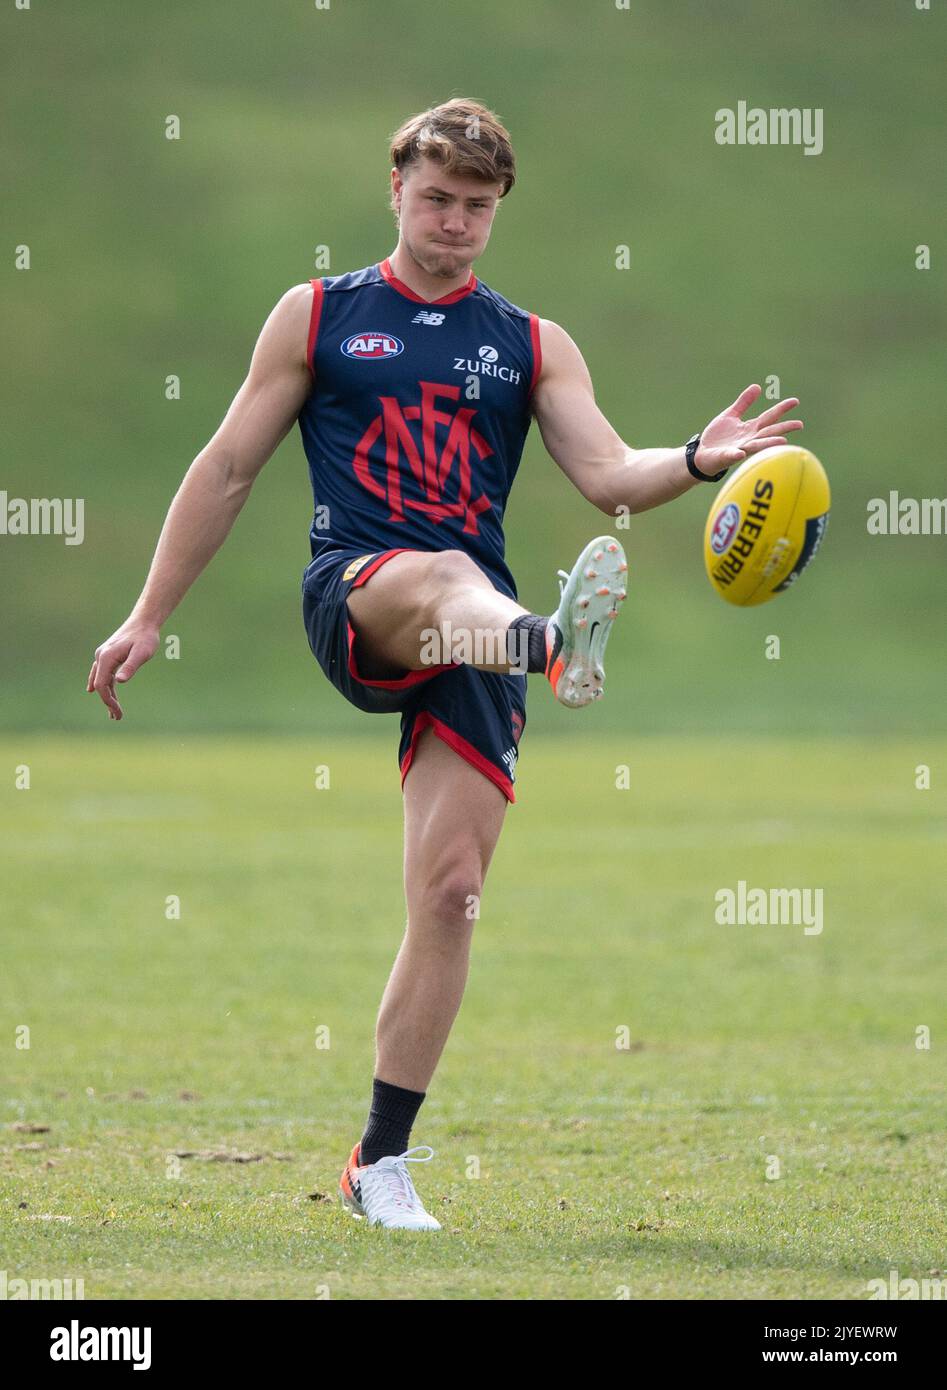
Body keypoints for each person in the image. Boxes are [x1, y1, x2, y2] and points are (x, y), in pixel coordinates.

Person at [87, 98, 803, 1230]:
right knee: (440, 576)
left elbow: (611, 477)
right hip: (365, 596)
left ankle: (378, 1163)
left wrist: (701, 457)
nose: (456, 223)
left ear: (497, 209)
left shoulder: (528, 341)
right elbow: (226, 468)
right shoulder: (318, 314)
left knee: (453, 896)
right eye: (436, 200)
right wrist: (147, 614)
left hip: (482, 630)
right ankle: (548, 641)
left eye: (476, 207)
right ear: (394, 191)